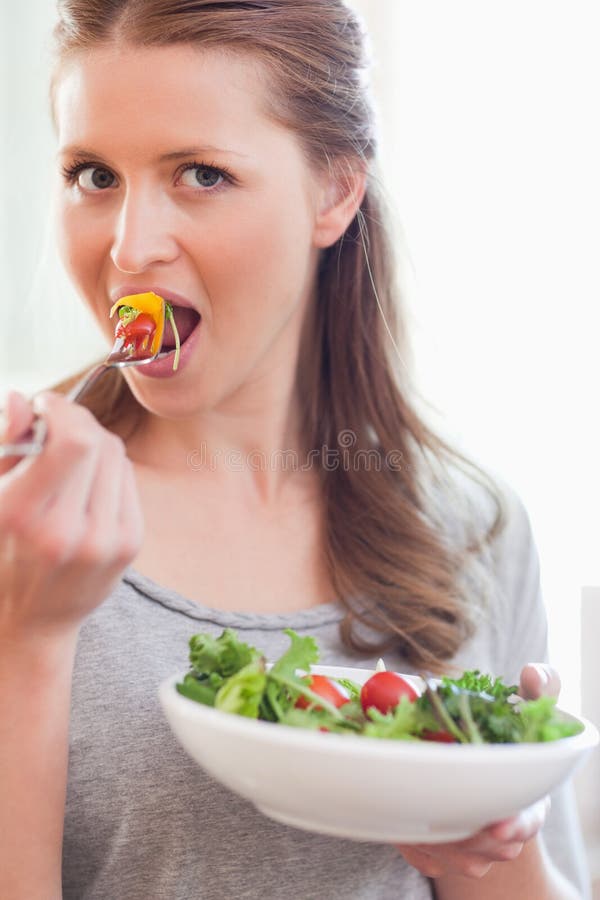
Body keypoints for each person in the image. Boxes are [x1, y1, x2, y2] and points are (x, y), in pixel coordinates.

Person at [0, 1, 588, 898]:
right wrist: (26, 640)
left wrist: (492, 801)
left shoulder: (473, 529)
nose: (131, 247)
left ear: (335, 192)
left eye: (200, 173)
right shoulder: (18, 519)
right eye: (93, 174)